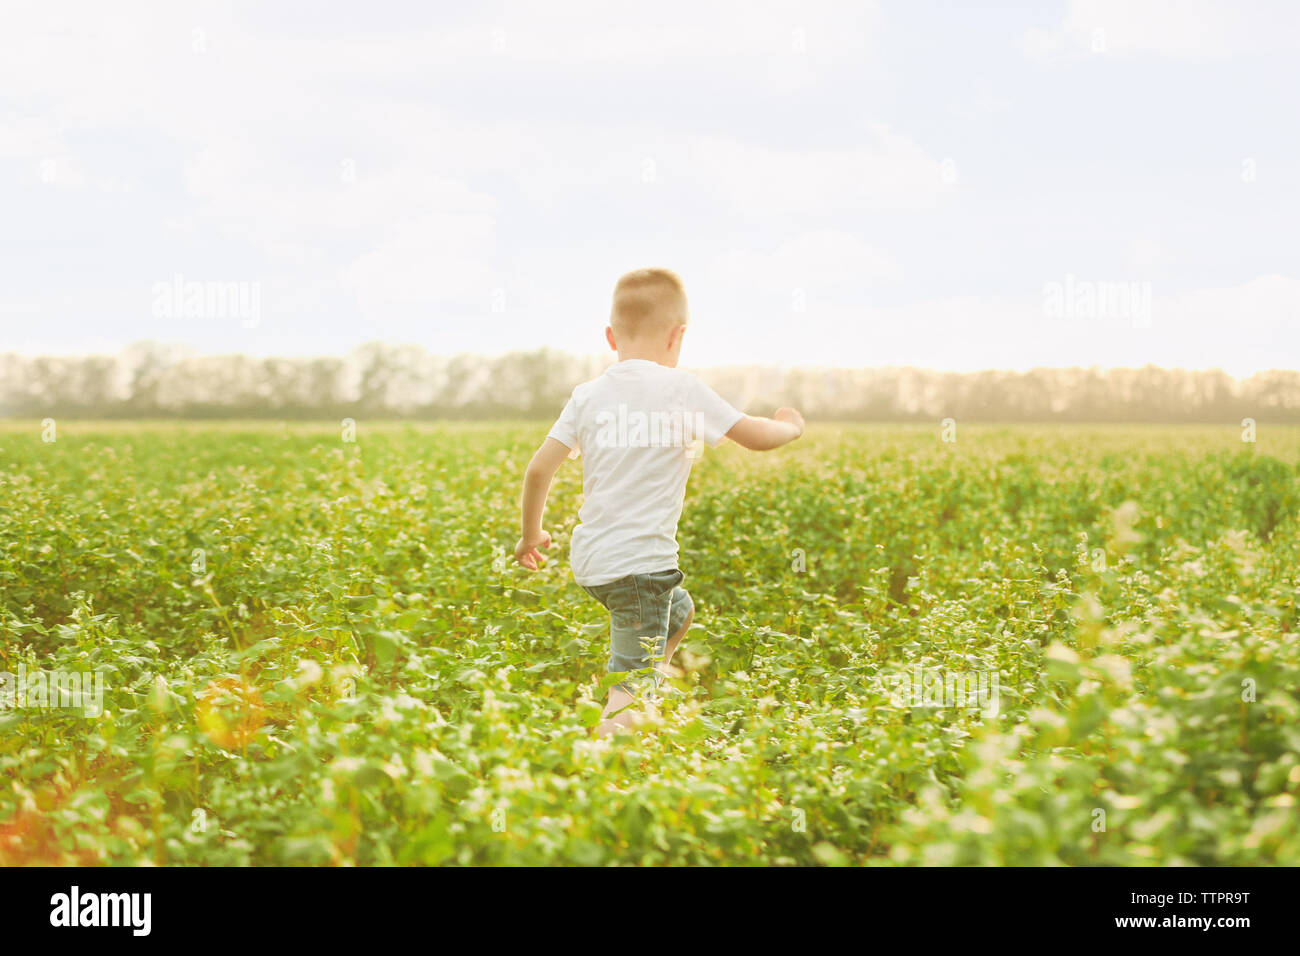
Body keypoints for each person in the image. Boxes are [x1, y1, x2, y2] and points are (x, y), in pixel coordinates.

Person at [514, 268, 805, 736]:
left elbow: (538, 470)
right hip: (641, 570)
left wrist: (532, 533)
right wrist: (790, 426)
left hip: (595, 563)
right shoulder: (682, 389)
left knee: (679, 611)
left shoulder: (587, 397)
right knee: (629, 682)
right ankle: (608, 757)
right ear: (678, 336)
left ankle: (645, 687)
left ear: (611, 337)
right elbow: (755, 436)